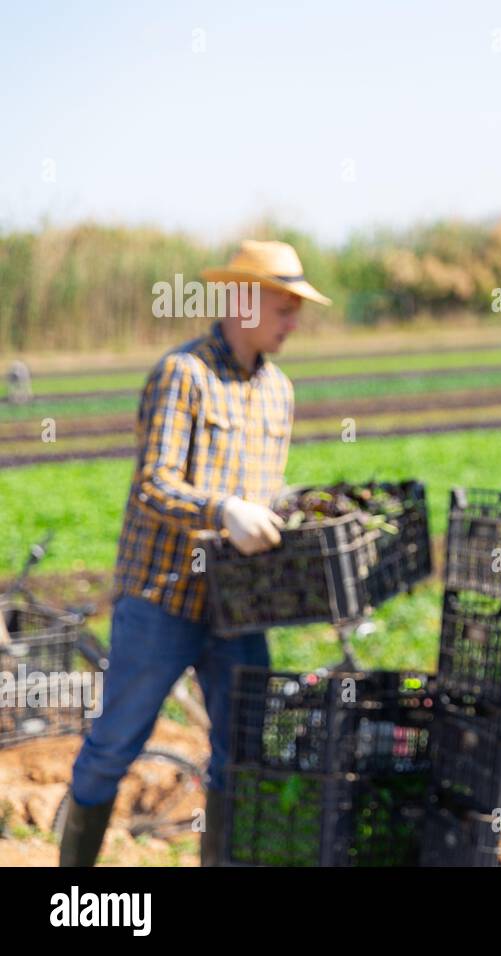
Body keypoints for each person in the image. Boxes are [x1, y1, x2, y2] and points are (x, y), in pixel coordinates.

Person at [59, 239, 331, 866]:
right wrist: (222, 511)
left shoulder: (279, 392)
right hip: (162, 598)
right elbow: (154, 485)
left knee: (242, 751)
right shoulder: (183, 375)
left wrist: (282, 509)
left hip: (238, 607)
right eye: (285, 307)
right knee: (114, 746)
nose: (295, 322)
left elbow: (262, 489)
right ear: (243, 301)